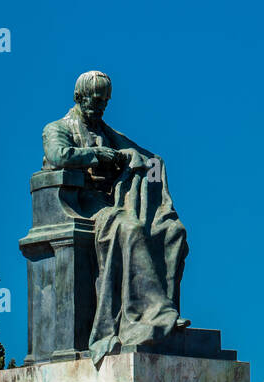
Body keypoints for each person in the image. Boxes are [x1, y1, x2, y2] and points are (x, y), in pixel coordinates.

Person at [41, 70, 190, 364]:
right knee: (128, 227)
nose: (100, 107)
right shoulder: (57, 128)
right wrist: (98, 156)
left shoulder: (108, 132)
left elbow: (150, 158)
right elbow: (58, 154)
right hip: (83, 206)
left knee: (172, 232)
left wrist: (146, 165)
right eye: (95, 100)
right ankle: (146, 315)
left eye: (105, 102)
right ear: (79, 97)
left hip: (114, 203)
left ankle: (162, 323)